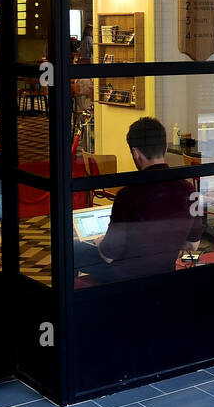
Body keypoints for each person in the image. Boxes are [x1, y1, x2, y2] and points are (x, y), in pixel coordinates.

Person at [80, 117, 203, 284]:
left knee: (72, 249)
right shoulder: (189, 189)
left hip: (125, 275)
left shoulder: (128, 194)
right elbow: (192, 245)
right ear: (165, 147)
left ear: (135, 152)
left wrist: (101, 242)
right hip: (164, 268)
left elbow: (109, 256)